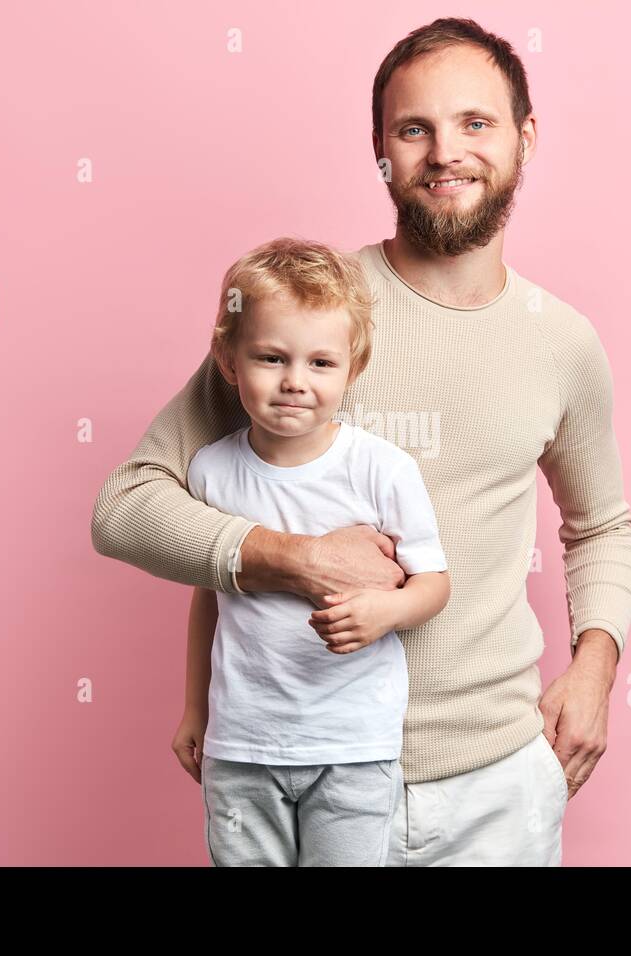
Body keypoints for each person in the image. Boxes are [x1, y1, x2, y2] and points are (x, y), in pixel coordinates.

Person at [92, 17, 631, 866]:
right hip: (307, 771)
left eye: (476, 123)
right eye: (413, 128)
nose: (445, 152)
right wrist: (293, 557)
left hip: (497, 782)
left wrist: (595, 668)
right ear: (380, 150)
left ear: (526, 139)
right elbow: (125, 509)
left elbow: (601, 525)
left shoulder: (562, 342)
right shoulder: (308, 318)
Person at [172, 238, 450, 866]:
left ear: (353, 367)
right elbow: (209, 600)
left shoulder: (381, 469)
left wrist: (387, 611)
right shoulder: (212, 473)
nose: (295, 382)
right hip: (243, 745)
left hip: (351, 744)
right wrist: (196, 710)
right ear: (227, 358)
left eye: (321, 363)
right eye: (272, 358)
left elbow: (433, 583)